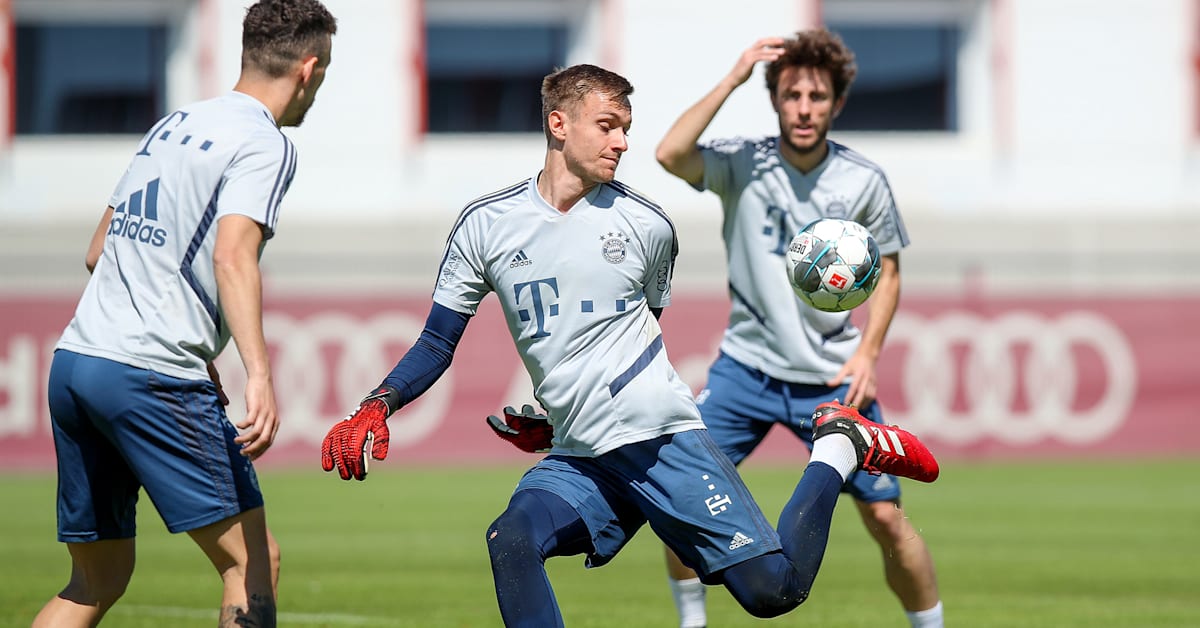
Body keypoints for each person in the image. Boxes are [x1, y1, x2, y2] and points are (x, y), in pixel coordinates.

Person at [320, 62, 939, 627]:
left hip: (662, 443)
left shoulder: (647, 226)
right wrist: (379, 403)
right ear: (558, 125)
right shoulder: (485, 224)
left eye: (626, 128)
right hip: (584, 452)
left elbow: (637, 341)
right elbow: (436, 343)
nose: (622, 142)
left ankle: (837, 445)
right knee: (511, 537)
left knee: (773, 593)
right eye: (608, 126)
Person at [34, 2, 336, 626]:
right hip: (150, 375)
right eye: (325, 71)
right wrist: (257, 371)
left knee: (96, 578)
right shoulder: (264, 143)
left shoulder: (172, 123)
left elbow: (97, 252)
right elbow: (233, 256)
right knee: (252, 565)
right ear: (308, 69)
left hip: (76, 361)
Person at [653, 29, 944, 628]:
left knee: (887, 519)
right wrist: (734, 76)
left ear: (836, 104)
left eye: (817, 96)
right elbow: (669, 153)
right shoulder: (742, 162)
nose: (804, 108)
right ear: (776, 101)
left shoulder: (863, 180)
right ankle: (692, 622)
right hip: (745, 371)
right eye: (791, 95)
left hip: (833, 380)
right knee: (684, 495)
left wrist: (869, 354)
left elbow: (889, 271)